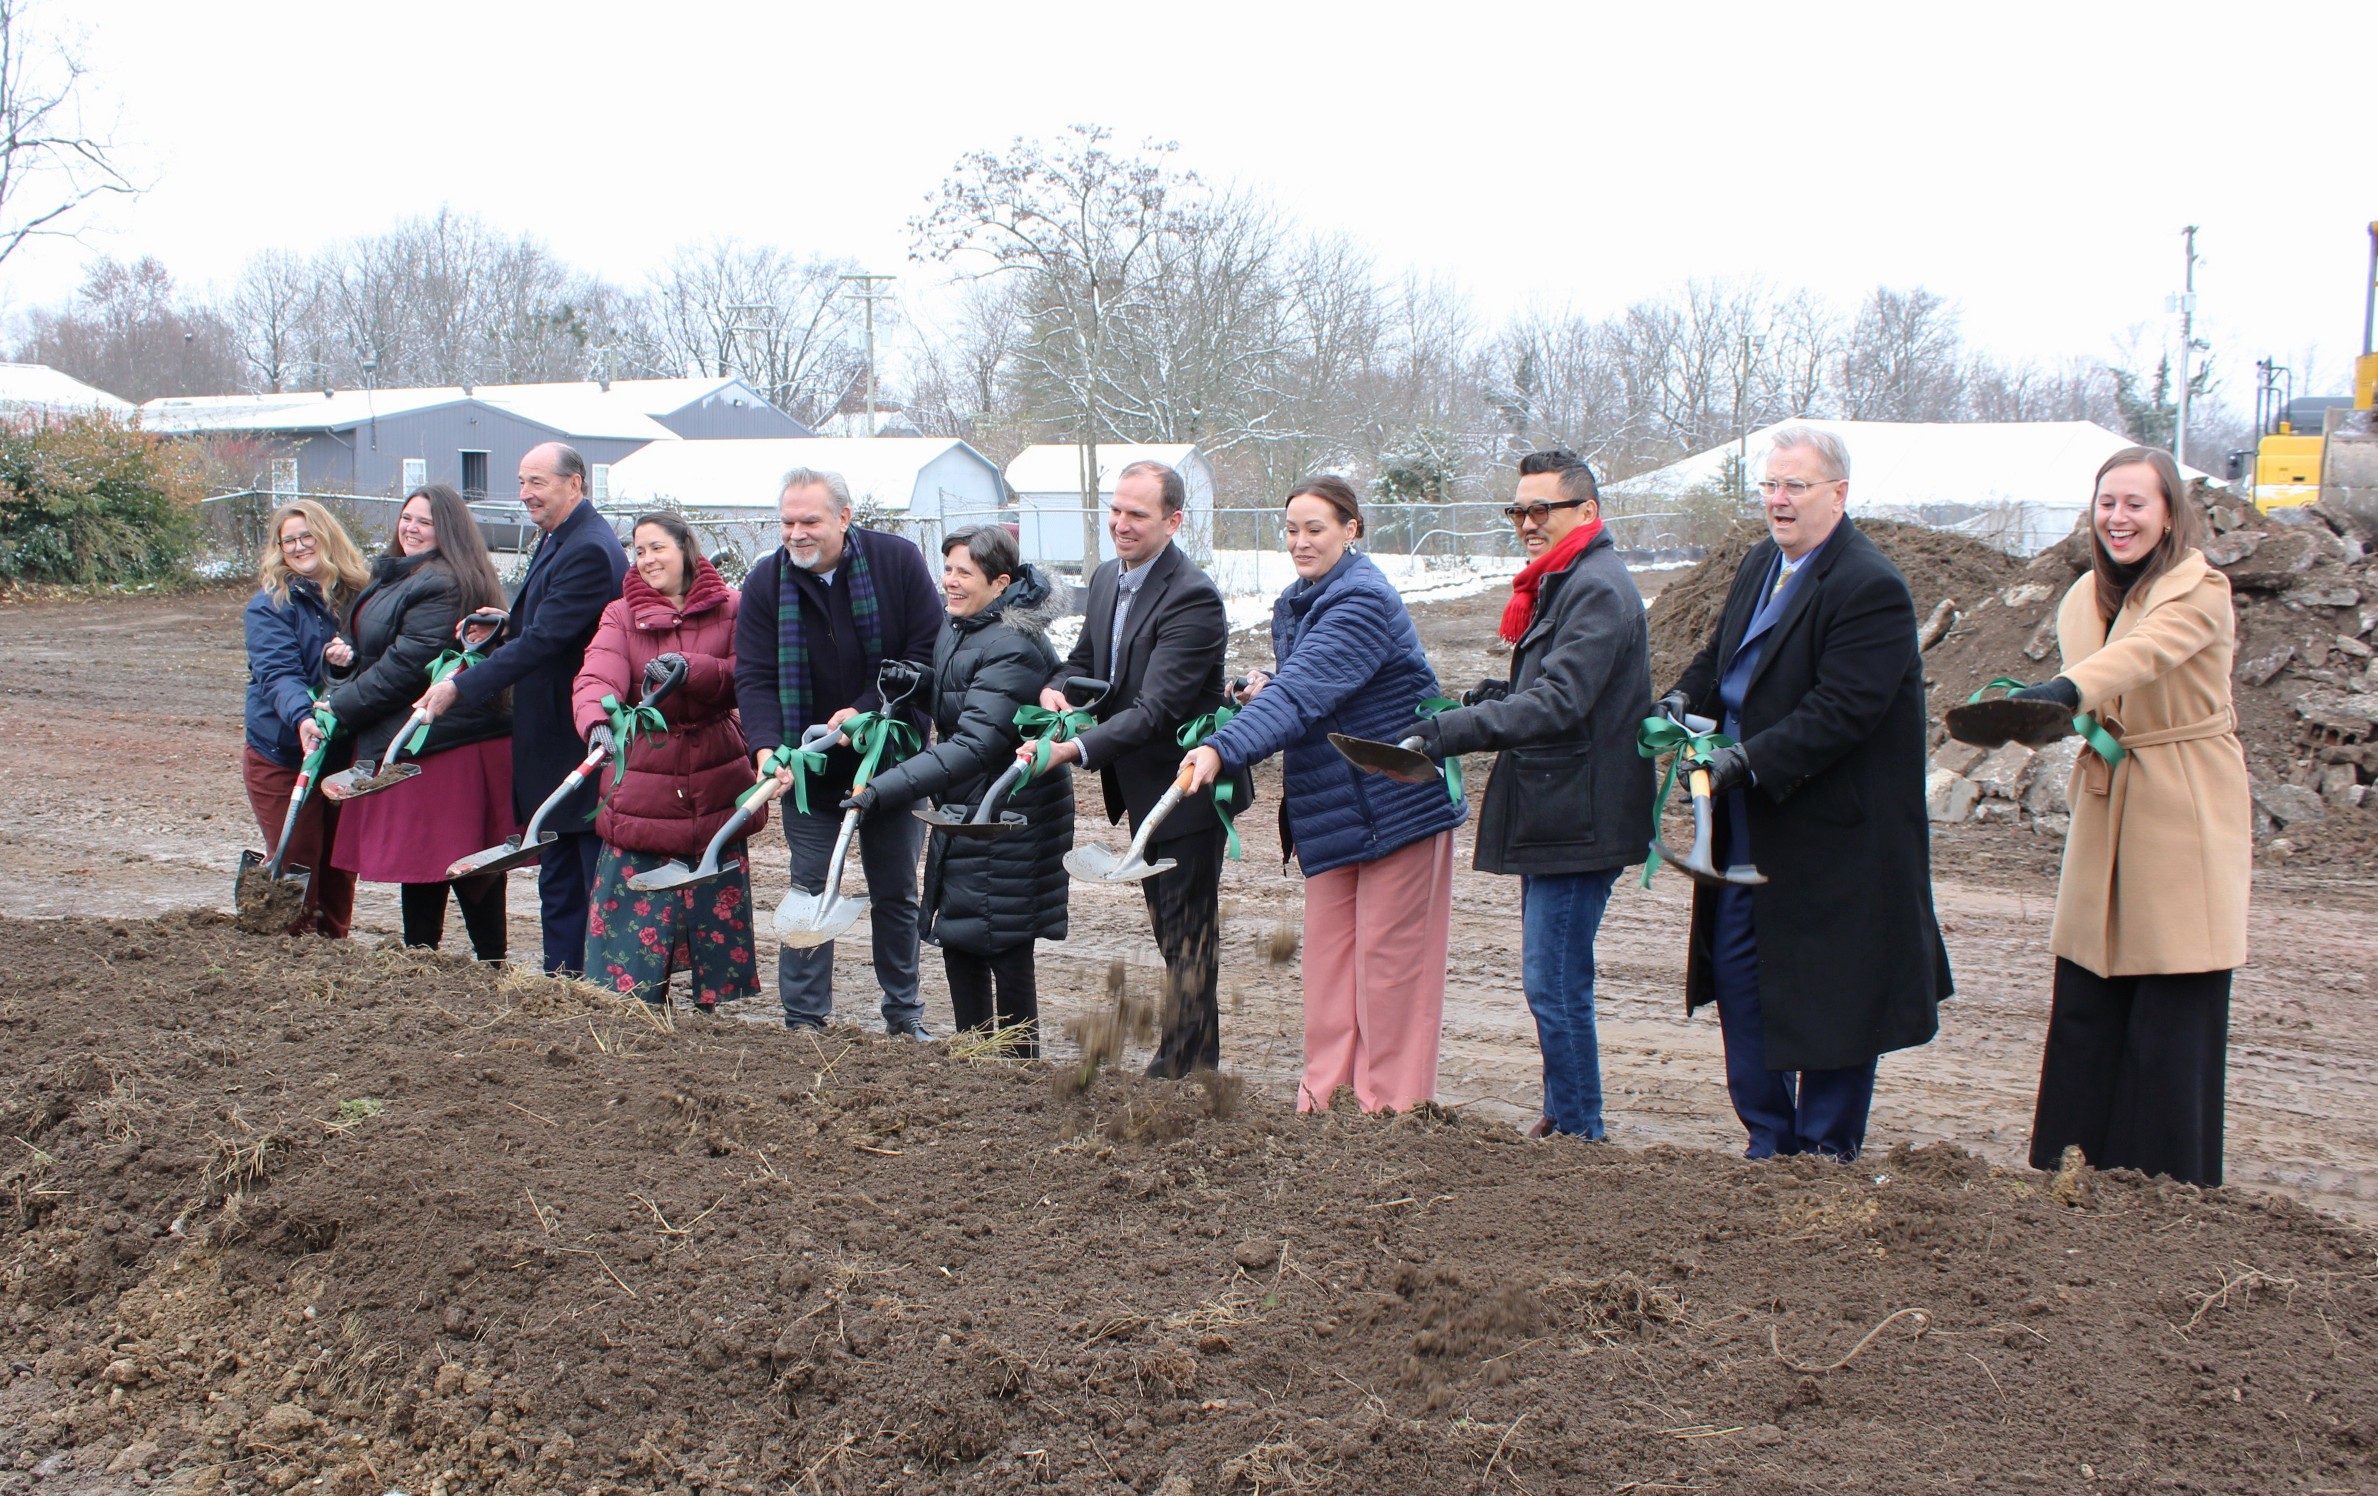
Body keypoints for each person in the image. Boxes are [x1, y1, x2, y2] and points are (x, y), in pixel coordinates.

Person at [1659, 425, 1951, 1161]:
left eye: (1796, 486)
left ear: (1839, 495)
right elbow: (1718, 653)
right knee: (1738, 973)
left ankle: (1824, 1158)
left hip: (1831, 839)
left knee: (1831, 995)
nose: (1779, 501)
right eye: (1770, 485)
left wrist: (1745, 761)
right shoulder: (1764, 562)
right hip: (1750, 822)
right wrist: (1680, 697)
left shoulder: (1869, 586)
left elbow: (1841, 712)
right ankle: (1768, 1143)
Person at [1180, 476, 1465, 1112]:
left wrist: (1224, 747)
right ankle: (1326, 1102)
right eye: (1291, 530)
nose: (1301, 542)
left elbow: (1305, 693)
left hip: (1396, 805)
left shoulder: (1361, 600)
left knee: (1391, 975)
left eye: (1316, 528)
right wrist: (1268, 681)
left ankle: (1391, 1112)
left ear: (1351, 530)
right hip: (1334, 812)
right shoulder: (1302, 600)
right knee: (1331, 969)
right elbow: (1306, 681)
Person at [2020, 447, 2248, 1187]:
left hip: (2181, 799)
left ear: (2169, 513)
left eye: (2135, 504)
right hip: (2107, 793)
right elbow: (2102, 688)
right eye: (2107, 503)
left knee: (2171, 1006)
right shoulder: (2082, 594)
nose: (2118, 518)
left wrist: (2061, 692)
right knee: (2088, 995)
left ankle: (2168, 1190)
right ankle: (2070, 1169)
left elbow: (2145, 656)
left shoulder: (2199, 589)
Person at [1408, 451, 1652, 1138]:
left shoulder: (1596, 587)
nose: (1525, 522)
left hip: (1580, 816)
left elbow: (1562, 701)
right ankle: (1567, 1116)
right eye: (1517, 510)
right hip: (1560, 811)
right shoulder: (1564, 580)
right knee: (1551, 979)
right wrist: (1493, 698)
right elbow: (1549, 691)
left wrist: (1454, 730)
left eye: (1540, 509)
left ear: (1587, 512)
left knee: (1555, 981)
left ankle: (1580, 1131)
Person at [1036, 460, 1236, 1078]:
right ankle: (1192, 1058)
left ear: (1173, 521)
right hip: (1140, 786)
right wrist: (1057, 687)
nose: (1121, 524)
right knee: (1170, 929)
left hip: (1185, 787)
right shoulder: (1104, 578)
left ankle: (1185, 1061)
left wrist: (1075, 750)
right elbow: (1086, 659)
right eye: (1116, 510)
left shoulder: (1192, 596)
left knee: (1187, 933)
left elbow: (1156, 710)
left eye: (1137, 515)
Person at [733, 467, 941, 1035]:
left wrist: (870, 709)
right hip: (811, 767)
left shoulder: (896, 563)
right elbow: (753, 675)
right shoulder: (765, 583)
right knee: (810, 886)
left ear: (844, 519)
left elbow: (926, 652)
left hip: (892, 763)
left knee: (896, 892)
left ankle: (903, 1014)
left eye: (810, 521)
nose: (796, 533)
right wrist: (767, 747)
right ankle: (803, 1019)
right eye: (787, 522)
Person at [854, 526, 1072, 1055]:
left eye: (963, 573)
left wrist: (884, 789)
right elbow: (965, 697)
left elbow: (976, 742)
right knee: (959, 934)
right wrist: (920, 681)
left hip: (1010, 810)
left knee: (1005, 943)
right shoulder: (963, 626)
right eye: (947, 568)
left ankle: (1018, 1069)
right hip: (966, 805)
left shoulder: (1014, 645)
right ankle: (976, 1061)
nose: (950, 581)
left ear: (1000, 583)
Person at [414, 442, 628, 975]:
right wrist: (508, 622)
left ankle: (578, 983)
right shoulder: (562, 536)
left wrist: (460, 687)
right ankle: (566, 977)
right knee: (558, 868)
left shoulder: (589, 548)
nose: (525, 494)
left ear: (574, 484)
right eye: (522, 481)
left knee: (574, 876)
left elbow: (548, 642)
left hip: (568, 735)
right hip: (550, 735)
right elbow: (548, 623)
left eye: (537, 482)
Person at [573, 512, 762, 1013]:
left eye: (658, 547)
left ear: (685, 549)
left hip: (714, 770)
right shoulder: (621, 615)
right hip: (644, 777)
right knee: (633, 899)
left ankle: (710, 1007)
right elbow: (598, 673)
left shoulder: (733, 608)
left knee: (712, 893)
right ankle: (635, 1003)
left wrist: (695, 671)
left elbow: (752, 674)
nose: (648, 559)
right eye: (639, 551)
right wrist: (596, 718)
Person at [324, 485, 515, 960]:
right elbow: (374, 650)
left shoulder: (443, 582)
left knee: (464, 860)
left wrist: (339, 706)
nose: (411, 528)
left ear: (447, 528)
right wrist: (344, 664)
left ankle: (490, 961)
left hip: (447, 742)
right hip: (411, 737)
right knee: (423, 857)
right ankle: (421, 960)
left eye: (424, 522)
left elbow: (404, 668)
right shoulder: (396, 574)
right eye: (406, 517)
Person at [241, 500, 371, 937]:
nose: (298, 547)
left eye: (306, 535)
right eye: (288, 540)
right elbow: (277, 673)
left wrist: (345, 662)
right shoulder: (271, 606)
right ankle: (288, 952)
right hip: (282, 754)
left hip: (340, 752)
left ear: (326, 536)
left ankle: (332, 952)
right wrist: (301, 717)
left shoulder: (359, 597)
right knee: (298, 857)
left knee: (338, 862)